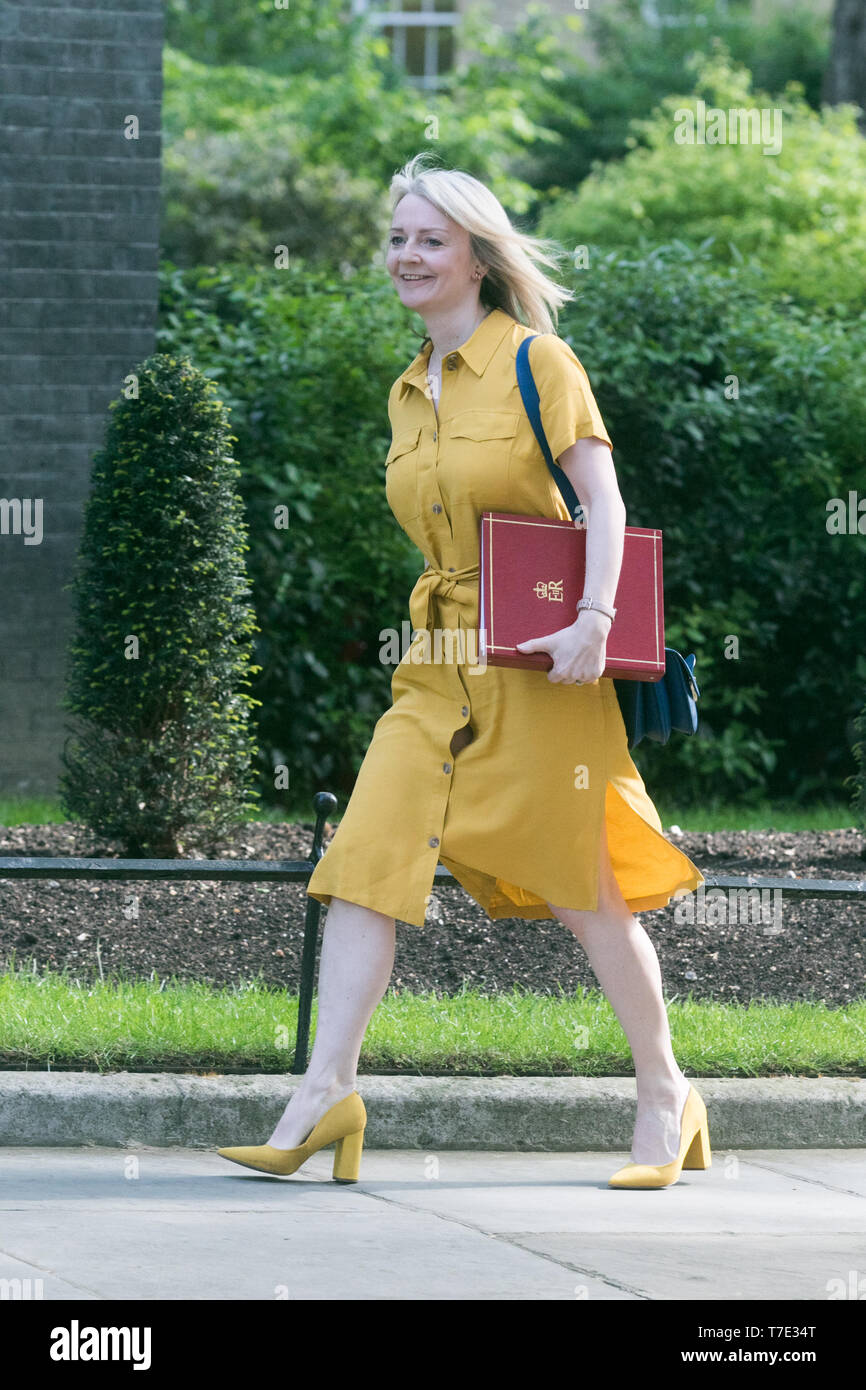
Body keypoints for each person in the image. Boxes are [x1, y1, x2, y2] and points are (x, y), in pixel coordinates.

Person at [218, 152, 711, 1190]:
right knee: (367, 854)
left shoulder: (537, 362)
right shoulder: (407, 390)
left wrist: (591, 619)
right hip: (436, 656)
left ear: (477, 258)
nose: (406, 255)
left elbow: (604, 504)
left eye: (428, 239)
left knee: (585, 886)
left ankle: (665, 1091)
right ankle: (323, 1094)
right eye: (396, 237)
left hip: (542, 661)